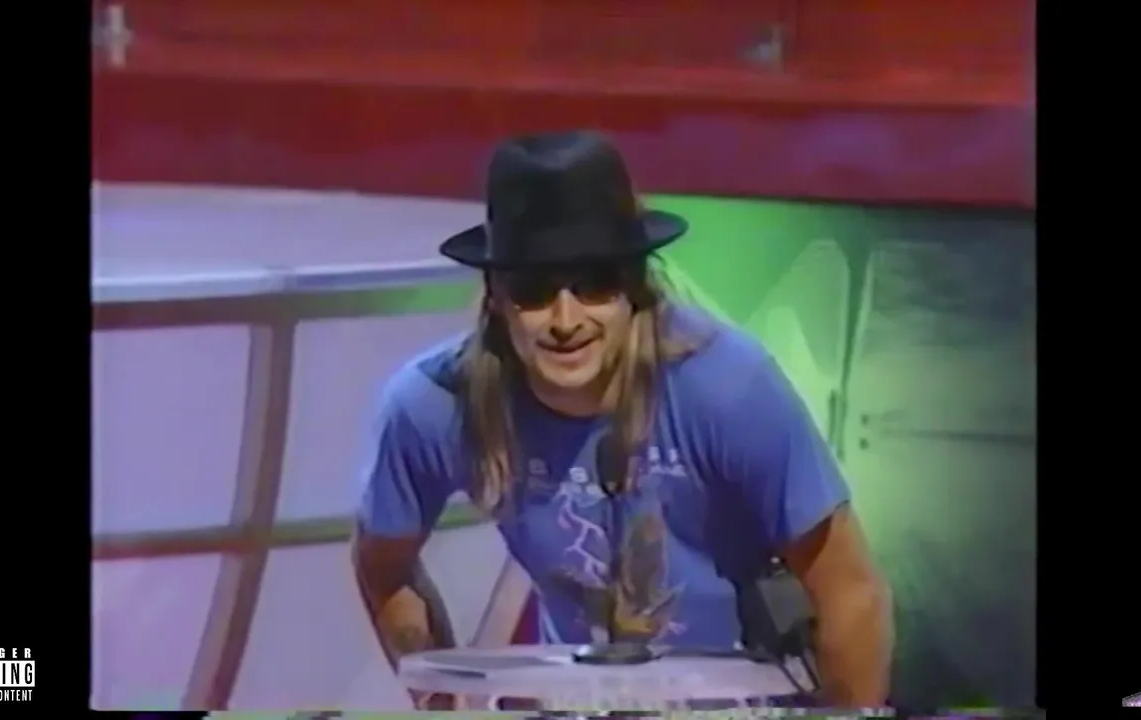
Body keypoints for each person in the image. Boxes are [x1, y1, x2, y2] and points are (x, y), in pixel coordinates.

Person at [351, 130, 892, 708]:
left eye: (595, 285)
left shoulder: (728, 386)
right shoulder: (434, 405)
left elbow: (851, 591)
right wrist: (442, 708)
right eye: (533, 290)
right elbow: (384, 567)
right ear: (495, 293)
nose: (565, 320)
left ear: (633, 284)